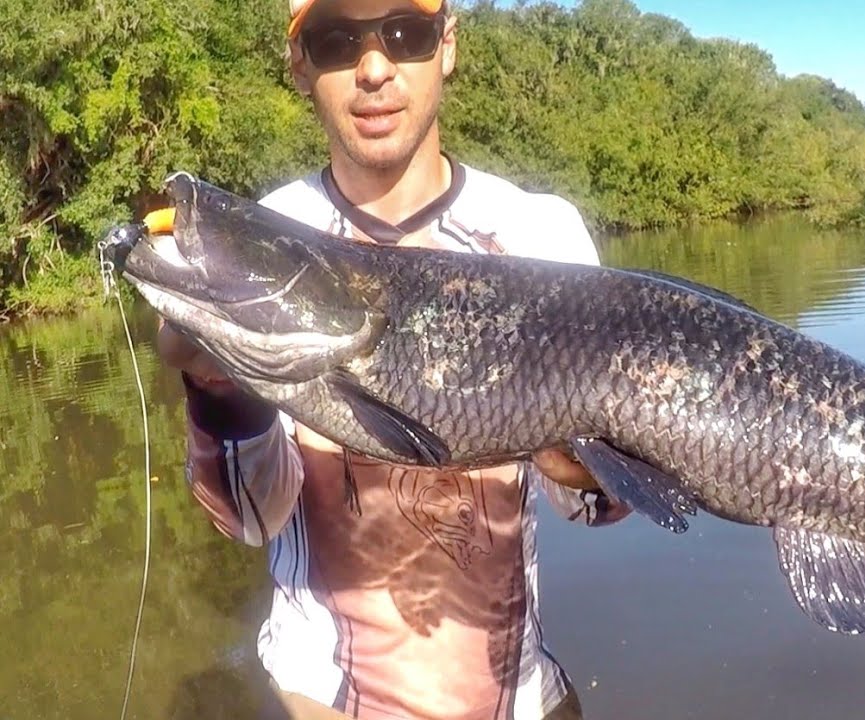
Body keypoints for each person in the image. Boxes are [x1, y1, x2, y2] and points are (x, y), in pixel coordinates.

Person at [155, 0, 630, 717]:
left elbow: (594, 508)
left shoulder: (540, 232)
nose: (374, 69)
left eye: (405, 33)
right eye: (336, 41)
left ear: (447, 45)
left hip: (521, 695)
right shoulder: (265, 240)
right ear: (300, 63)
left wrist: (579, 449)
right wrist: (219, 386)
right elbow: (252, 519)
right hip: (323, 699)